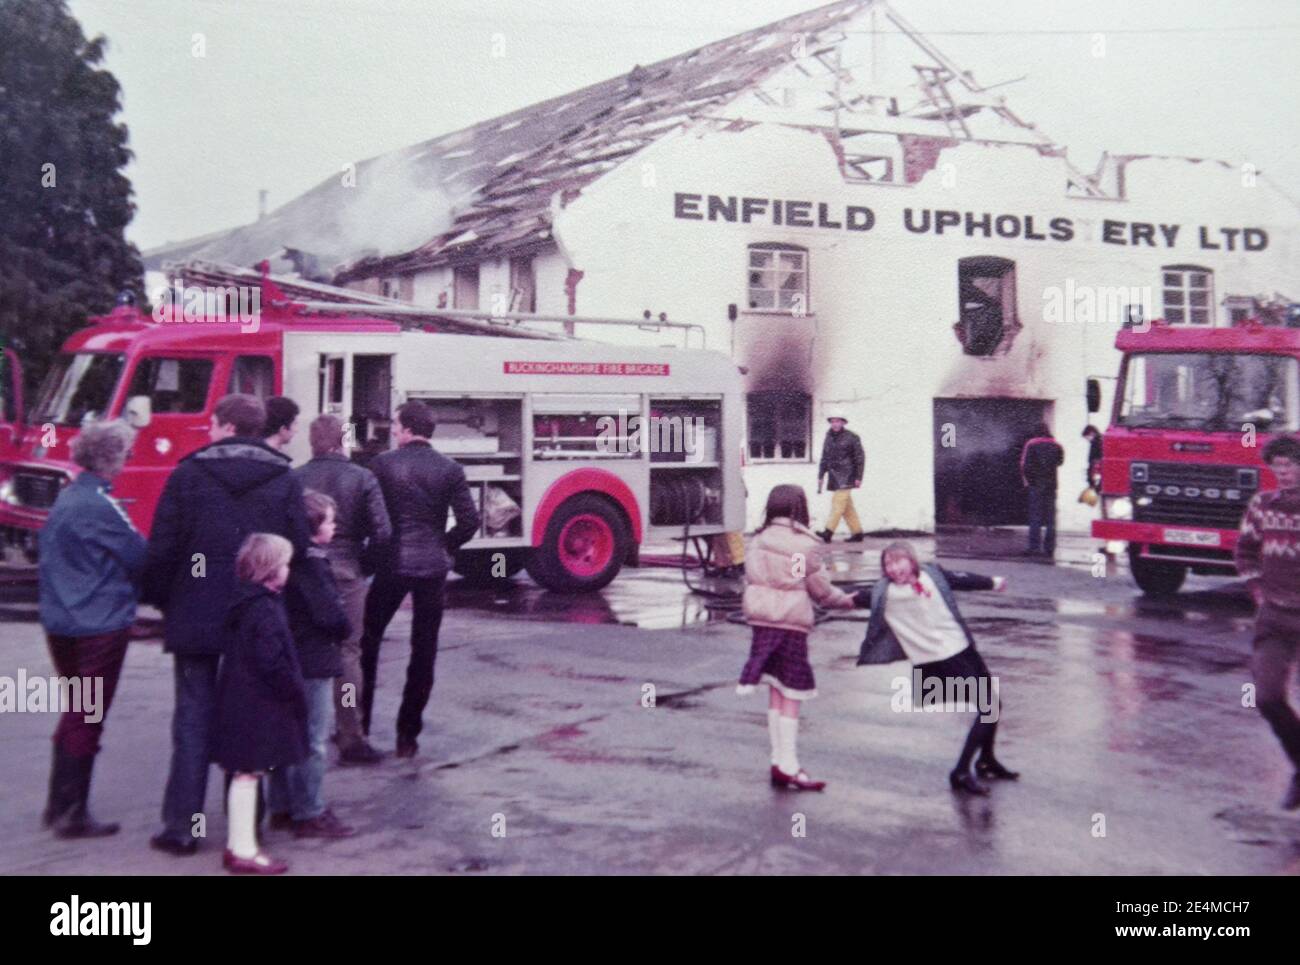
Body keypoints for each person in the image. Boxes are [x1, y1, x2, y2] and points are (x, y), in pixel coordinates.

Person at [144, 393, 312, 856]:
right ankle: (246, 830)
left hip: (195, 615)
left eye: (213, 424)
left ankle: (182, 827)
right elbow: (298, 547)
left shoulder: (187, 475)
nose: (210, 432)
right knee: (250, 721)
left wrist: (164, 600)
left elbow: (161, 552)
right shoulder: (283, 479)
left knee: (193, 721)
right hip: (256, 617)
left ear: (226, 426)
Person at [37, 420, 146, 838]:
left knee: (77, 709)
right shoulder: (102, 505)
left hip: (61, 619)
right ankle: (72, 812)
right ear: (113, 458)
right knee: (89, 714)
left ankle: (59, 803)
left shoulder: (66, 499)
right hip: (99, 623)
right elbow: (139, 556)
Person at [360, 400, 480, 759]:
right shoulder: (450, 469)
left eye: (396, 425)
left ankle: (359, 724)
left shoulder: (381, 465)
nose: (393, 431)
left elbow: (373, 521)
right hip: (432, 568)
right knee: (423, 651)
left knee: (368, 642)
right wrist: (445, 545)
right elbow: (470, 521)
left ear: (409, 428)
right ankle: (407, 736)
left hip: (391, 565)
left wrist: (370, 557)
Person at [856, 541, 1015, 795]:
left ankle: (986, 759)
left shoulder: (932, 574)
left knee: (993, 704)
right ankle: (961, 771)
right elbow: (846, 598)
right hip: (939, 657)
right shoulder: (882, 594)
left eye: (899, 560)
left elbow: (962, 579)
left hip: (962, 647)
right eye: (888, 563)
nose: (894, 568)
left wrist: (993, 582)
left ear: (912, 560)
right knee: (989, 707)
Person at [738, 484, 861, 790]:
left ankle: (778, 761)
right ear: (800, 509)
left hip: (762, 622)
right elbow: (818, 589)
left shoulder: (757, 540)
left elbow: (755, 577)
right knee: (792, 690)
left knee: (776, 688)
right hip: (790, 625)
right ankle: (790, 766)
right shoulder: (802, 546)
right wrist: (846, 600)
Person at [295, 414, 392, 765]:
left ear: (312, 442)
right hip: (349, 570)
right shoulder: (362, 477)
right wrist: (364, 565)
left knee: (302, 649)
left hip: (306, 572)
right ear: (342, 441)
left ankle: (302, 730)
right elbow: (383, 533)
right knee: (348, 653)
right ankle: (350, 734)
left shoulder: (296, 477)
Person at [212, 533, 306, 874]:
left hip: (238, 701)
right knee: (249, 776)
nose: (288, 570)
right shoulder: (265, 610)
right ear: (271, 570)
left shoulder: (243, 603)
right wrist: (292, 689)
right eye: (285, 564)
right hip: (257, 706)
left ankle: (239, 846)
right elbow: (271, 661)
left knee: (243, 775)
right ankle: (245, 851)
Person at [267, 491, 355, 838]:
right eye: (331, 521)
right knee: (313, 738)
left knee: (285, 736)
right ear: (315, 527)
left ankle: (281, 807)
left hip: (290, 656)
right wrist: (345, 628)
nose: (335, 526)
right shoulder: (315, 563)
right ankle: (309, 811)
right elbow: (330, 614)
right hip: (314, 658)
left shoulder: (287, 559)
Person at [1235, 435, 1300, 809]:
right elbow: (1245, 551)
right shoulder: (1262, 506)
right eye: (1277, 466)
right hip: (1274, 617)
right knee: (1268, 697)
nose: (1284, 473)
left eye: (1290, 465)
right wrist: (1258, 593)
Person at [816, 415, 865, 543]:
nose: (835, 424)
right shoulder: (828, 437)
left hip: (848, 475)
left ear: (843, 422)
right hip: (834, 475)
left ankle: (828, 532)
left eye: (838, 421)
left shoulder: (852, 437)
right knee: (847, 507)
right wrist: (821, 475)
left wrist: (859, 477)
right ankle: (857, 532)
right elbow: (824, 457)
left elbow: (860, 458)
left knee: (837, 503)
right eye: (832, 421)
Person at [1019, 424, 1064, 556]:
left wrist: (1030, 481)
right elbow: (1060, 462)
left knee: (1035, 517)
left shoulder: (1031, 444)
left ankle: (1034, 547)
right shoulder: (1057, 445)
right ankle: (1049, 548)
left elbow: (1024, 465)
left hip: (1036, 485)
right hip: (1051, 485)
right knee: (1051, 519)